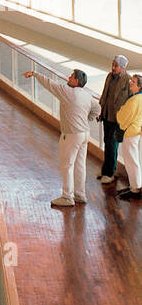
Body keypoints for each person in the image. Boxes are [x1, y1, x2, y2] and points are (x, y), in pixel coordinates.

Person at [24, 67, 99, 207]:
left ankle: (67, 197)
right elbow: (97, 108)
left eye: (71, 77)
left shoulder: (67, 92)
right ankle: (80, 194)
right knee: (80, 164)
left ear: (76, 81)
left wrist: (34, 73)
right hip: (84, 134)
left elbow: (49, 83)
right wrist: (88, 118)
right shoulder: (87, 95)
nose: (68, 78)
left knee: (67, 165)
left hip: (71, 134)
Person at [97, 53, 130, 185]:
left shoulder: (127, 80)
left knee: (112, 145)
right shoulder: (110, 76)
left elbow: (129, 99)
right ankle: (106, 171)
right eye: (113, 64)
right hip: (107, 115)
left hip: (118, 119)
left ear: (122, 67)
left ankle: (110, 173)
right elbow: (105, 93)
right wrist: (100, 110)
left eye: (116, 65)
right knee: (107, 143)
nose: (113, 67)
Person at [116, 72, 142, 201]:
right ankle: (134, 186)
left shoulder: (134, 100)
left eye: (133, 82)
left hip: (130, 133)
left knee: (131, 161)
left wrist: (120, 113)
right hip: (135, 132)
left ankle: (135, 189)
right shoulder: (138, 98)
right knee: (132, 160)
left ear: (139, 86)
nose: (130, 83)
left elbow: (122, 117)